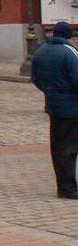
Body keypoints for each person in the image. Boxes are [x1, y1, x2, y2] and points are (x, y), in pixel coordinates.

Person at [31, 21, 78, 198]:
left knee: (58, 147)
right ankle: (68, 188)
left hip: (53, 105)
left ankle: (63, 184)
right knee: (70, 148)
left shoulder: (41, 51)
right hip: (72, 107)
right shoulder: (69, 52)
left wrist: (50, 92)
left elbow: (35, 78)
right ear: (69, 36)